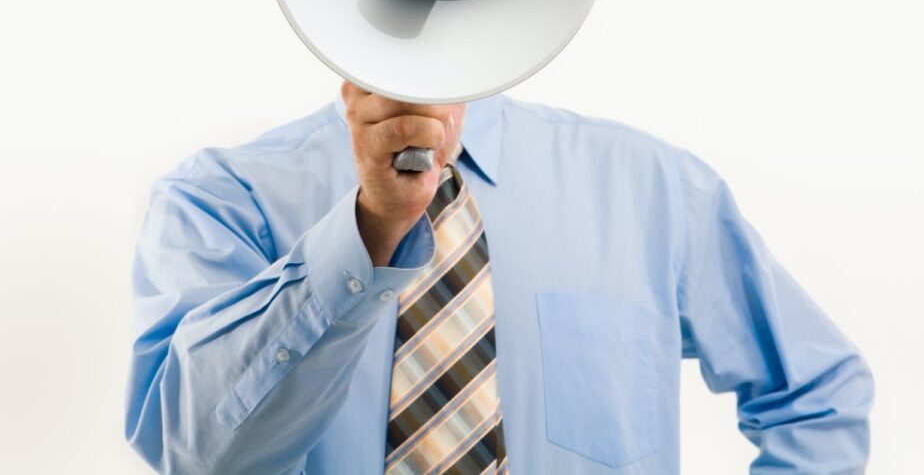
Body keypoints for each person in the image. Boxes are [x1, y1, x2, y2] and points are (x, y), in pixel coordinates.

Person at [125, 81, 873, 474]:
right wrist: (369, 226)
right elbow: (198, 458)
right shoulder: (220, 202)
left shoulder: (650, 188)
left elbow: (815, 393)